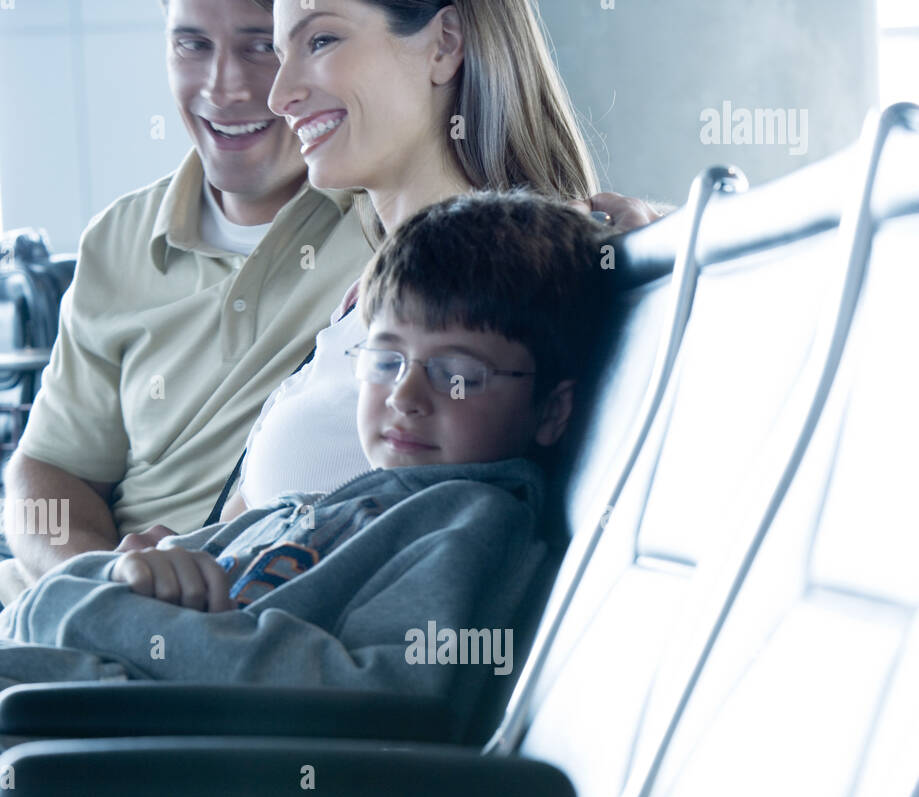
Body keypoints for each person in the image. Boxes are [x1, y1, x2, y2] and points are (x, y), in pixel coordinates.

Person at [0, 191, 614, 741]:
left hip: (115, 786)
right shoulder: (308, 510)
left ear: (552, 412)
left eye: (457, 376)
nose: (405, 396)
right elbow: (48, 605)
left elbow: (385, 706)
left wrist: (125, 618)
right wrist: (131, 579)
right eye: (384, 362)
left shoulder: (472, 526)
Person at [205, 0, 666, 521]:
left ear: (445, 43)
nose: (279, 96)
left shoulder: (523, 290)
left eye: (321, 41)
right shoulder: (375, 289)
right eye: (279, 50)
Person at [0, 0, 372, 604]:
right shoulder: (117, 236)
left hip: (207, 628)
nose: (222, 89)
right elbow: (46, 470)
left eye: (262, 45)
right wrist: (109, 582)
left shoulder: (380, 218)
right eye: (192, 45)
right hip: (56, 602)